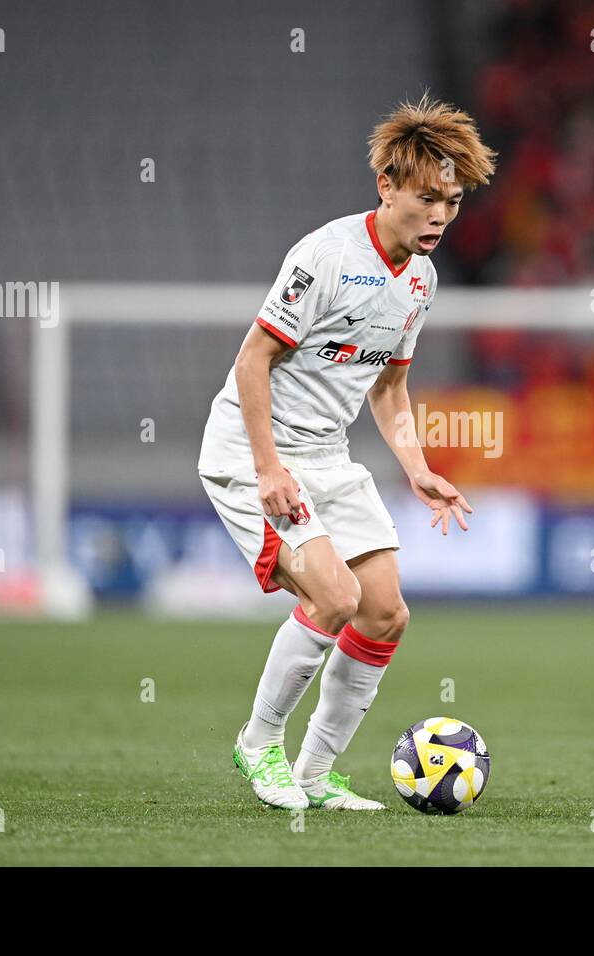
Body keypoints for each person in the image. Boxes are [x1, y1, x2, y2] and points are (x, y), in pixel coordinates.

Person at [197, 94, 497, 810]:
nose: (439, 217)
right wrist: (269, 469)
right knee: (336, 596)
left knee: (385, 612)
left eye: (452, 203)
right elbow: (252, 360)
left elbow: (390, 386)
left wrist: (418, 467)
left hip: (328, 454)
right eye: (427, 198)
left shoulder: (420, 281)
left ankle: (312, 774)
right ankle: (258, 745)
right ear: (386, 185)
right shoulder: (326, 256)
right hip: (252, 450)